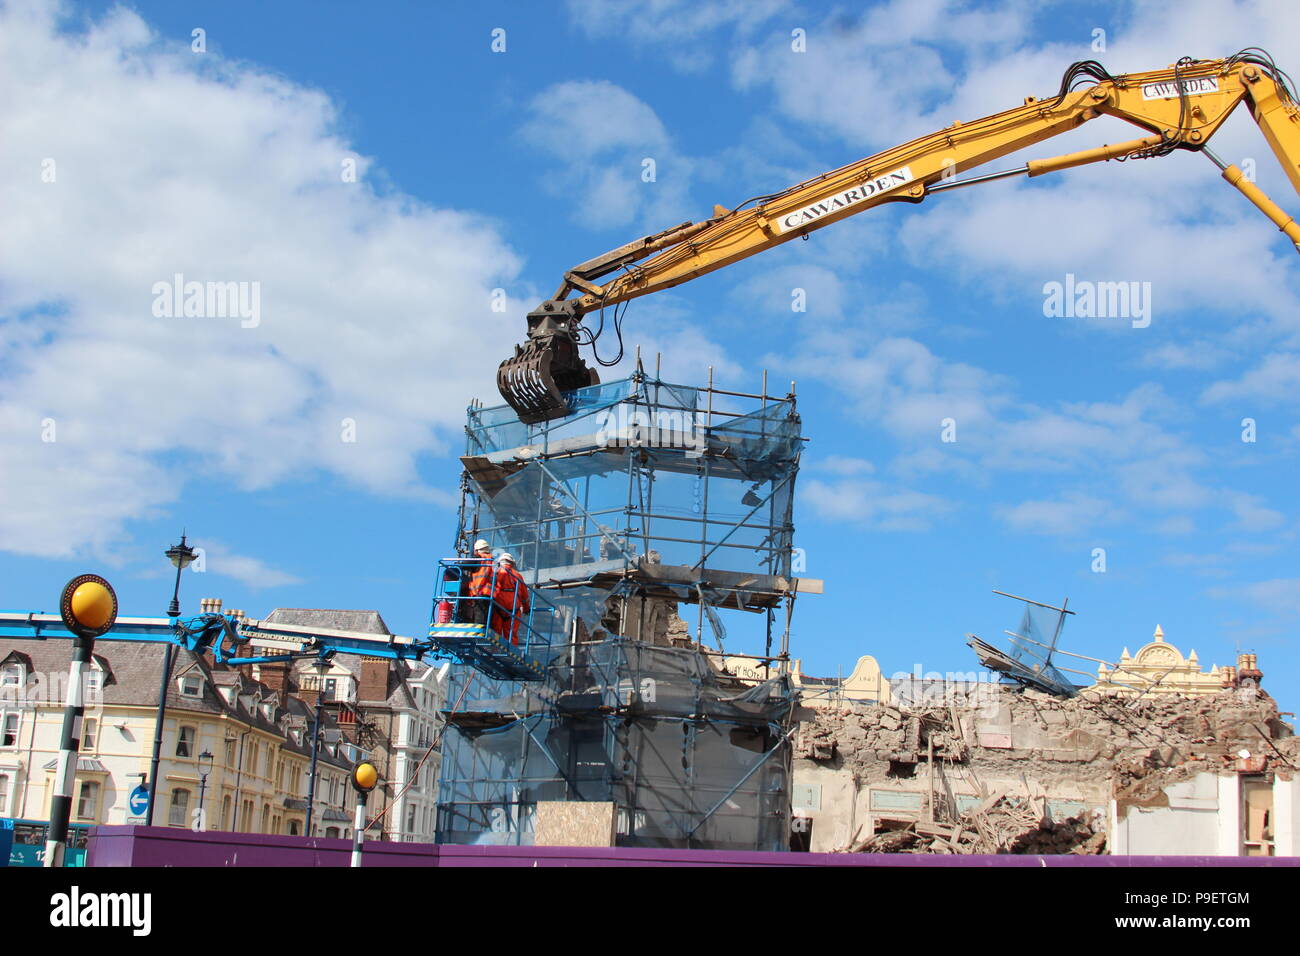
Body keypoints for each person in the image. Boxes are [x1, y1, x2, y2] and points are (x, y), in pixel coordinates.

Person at [488, 553, 530, 645]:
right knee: (511, 634)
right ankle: (511, 650)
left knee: (496, 632)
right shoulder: (518, 576)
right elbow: (524, 596)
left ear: (500, 562)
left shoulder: (496, 573)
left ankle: (494, 648)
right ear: (512, 563)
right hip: (513, 610)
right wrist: (526, 609)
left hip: (498, 607)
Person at [463, 539, 495, 625]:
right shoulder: (492, 561)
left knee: (479, 620)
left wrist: (457, 564)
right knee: (486, 618)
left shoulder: (479, 558)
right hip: (490, 594)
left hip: (480, 593)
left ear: (477, 550)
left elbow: (464, 564)